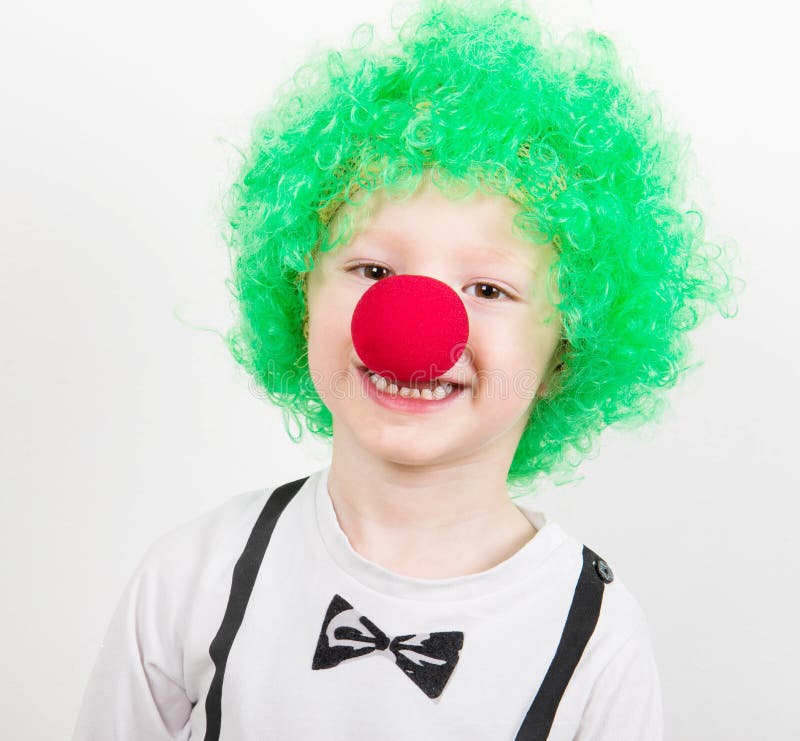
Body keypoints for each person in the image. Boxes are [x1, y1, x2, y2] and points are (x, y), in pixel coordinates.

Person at [72, 1, 740, 739]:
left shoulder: (594, 638)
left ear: (567, 351)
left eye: (488, 289)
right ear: (299, 296)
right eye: (374, 270)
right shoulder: (196, 574)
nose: (415, 325)